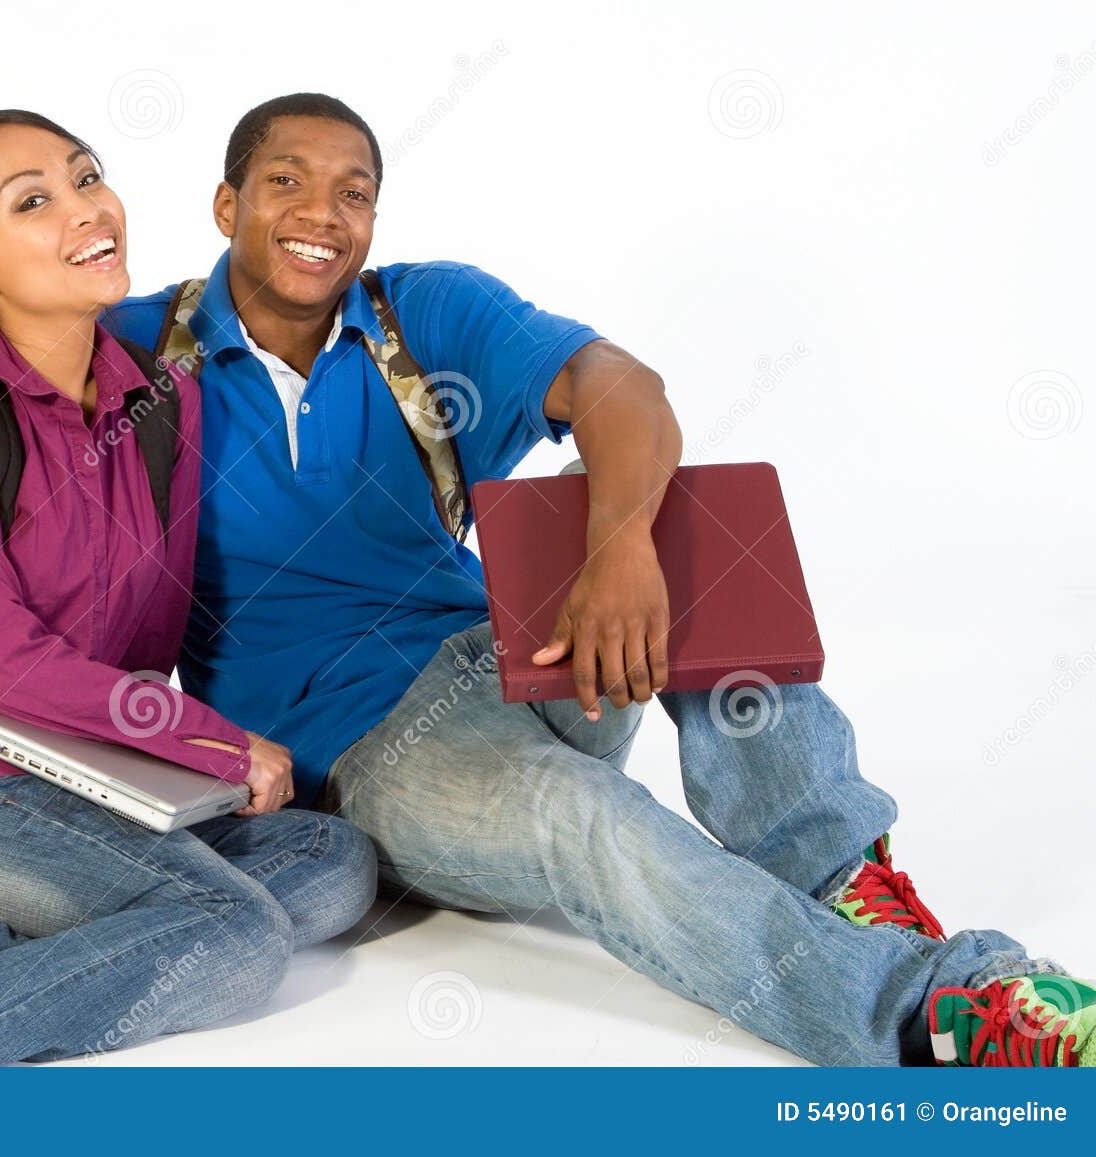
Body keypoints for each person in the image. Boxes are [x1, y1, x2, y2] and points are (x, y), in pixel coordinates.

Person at [102, 92, 1094, 1067]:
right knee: (590, 816)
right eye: (287, 182)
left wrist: (619, 548)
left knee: (667, 501)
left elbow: (625, 386)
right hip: (365, 743)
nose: (322, 214)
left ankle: (836, 872)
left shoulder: (416, 307)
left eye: (351, 192)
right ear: (226, 206)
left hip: (535, 652)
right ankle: (932, 1010)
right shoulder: (134, 351)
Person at [0, 109, 377, 1067]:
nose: (85, 211)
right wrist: (212, 742)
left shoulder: (163, 401)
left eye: (86, 178)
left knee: (333, 863)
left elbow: (147, 640)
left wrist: (168, 770)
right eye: (34, 202)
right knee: (239, 935)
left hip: (55, 771)